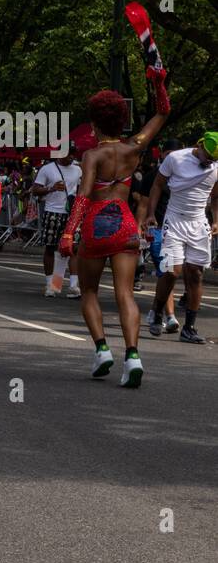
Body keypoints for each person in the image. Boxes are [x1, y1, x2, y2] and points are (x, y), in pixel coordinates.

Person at [61, 82, 170, 386]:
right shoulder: (135, 146)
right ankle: (133, 355)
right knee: (125, 294)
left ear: (94, 124)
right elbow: (163, 111)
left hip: (96, 224)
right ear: (122, 119)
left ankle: (102, 350)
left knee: (90, 292)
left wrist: (69, 233)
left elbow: (83, 196)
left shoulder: (93, 155)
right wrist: (158, 82)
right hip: (124, 224)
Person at [140, 131, 218, 343]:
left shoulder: (215, 166)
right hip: (173, 220)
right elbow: (157, 185)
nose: (210, 162)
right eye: (208, 157)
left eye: (214, 160)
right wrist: (150, 214)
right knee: (171, 272)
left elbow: (216, 195)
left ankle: (189, 328)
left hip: (198, 223)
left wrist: (215, 220)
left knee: (196, 274)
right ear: (200, 146)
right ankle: (156, 311)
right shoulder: (175, 158)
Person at [137, 140, 180, 331]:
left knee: (170, 273)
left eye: (175, 153)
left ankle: (158, 312)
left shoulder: (187, 175)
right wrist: (139, 228)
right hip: (157, 230)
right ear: (162, 154)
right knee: (166, 270)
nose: (171, 157)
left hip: (179, 230)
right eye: (168, 153)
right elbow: (144, 205)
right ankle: (169, 315)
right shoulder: (153, 176)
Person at [31, 153, 83, 297]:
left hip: (71, 214)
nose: (72, 156)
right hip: (52, 212)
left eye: (73, 152)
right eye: (69, 153)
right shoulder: (47, 169)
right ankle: (51, 285)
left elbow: (81, 189)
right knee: (50, 247)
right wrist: (51, 188)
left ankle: (73, 286)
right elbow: (35, 190)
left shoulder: (78, 170)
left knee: (73, 248)